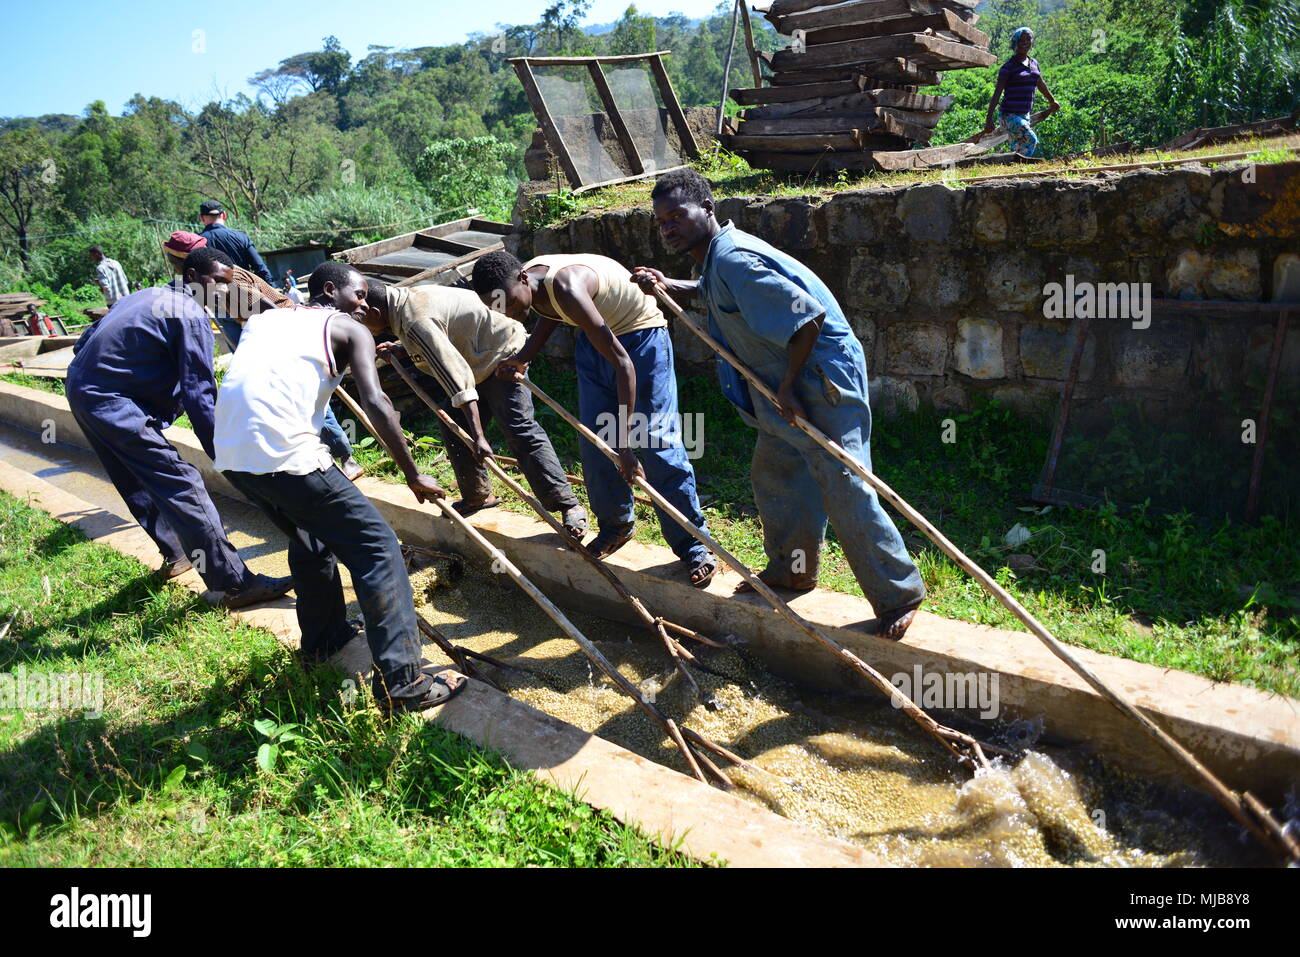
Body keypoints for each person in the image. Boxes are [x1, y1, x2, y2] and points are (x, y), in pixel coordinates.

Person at [632, 168, 926, 640]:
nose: (667, 227)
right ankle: (794, 570)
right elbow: (714, 297)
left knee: (843, 480)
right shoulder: (713, 263)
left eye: (676, 216)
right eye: (661, 220)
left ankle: (899, 595)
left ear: (708, 209)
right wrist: (669, 284)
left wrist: (789, 388)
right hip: (781, 377)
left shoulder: (734, 261)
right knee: (778, 471)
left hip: (818, 377)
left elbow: (807, 320)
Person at [213, 261, 465, 713]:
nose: (366, 305)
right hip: (286, 455)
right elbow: (377, 402)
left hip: (234, 457)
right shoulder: (349, 328)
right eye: (360, 295)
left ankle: (323, 641)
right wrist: (412, 473)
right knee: (378, 550)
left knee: (311, 539)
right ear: (331, 290)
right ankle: (403, 686)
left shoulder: (268, 319)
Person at [471, 250, 716, 587]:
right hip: (596, 338)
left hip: (641, 339)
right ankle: (617, 525)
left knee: (656, 442)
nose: (511, 313)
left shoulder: (568, 286)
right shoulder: (527, 285)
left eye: (511, 303)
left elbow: (624, 365)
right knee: (597, 442)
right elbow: (551, 313)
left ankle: (693, 544)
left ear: (523, 280)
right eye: (500, 309)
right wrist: (524, 357)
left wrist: (627, 447)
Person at [65, 246, 293, 607]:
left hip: (81, 388)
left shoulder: (148, 294)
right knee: (181, 482)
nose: (221, 289)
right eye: (216, 281)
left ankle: (178, 553)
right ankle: (234, 584)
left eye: (227, 283)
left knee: (133, 475)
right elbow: (199, 392)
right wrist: (226, 453)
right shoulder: (189, 313)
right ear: (192, 277)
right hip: (111, 401)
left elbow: (83, 342)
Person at [360, 278, 587, 535]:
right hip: (474, 357)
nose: (362, 326)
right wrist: (403, 348)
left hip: (502, 352)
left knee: (518, 428)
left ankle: (568, 504)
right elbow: (445, 330)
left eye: (361, 319)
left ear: (374, 311)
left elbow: (457, 380)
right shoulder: (404, 304)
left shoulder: (414, 320)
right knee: (454, 429)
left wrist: (479, 437)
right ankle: (478, 496)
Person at [161, 231, 364, 482]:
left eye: (173, 262)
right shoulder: (209, 280)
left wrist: (268, 342)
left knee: (307, 394)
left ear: (183, 263)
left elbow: (270, 310)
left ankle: (346, 457)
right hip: (271, 330)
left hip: (283, 329)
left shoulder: (226, 282)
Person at [981, 26, 1059, 157]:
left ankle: (1012, 169)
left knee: (1018, 146)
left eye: (1028, 39)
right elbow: (997, 95)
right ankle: (1020, 164)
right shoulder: (1007, 68)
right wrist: (989, 120)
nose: (1025, 43)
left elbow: (1041, 84)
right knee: (1031, 139)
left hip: (1025, 114)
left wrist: (1052, 101)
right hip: (1009, 115)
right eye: (1021, 40)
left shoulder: (1034, 64)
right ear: (1015, 43)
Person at [198, 200, 275, 284]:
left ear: (201, 218)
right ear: (224, 215)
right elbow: (261, 269)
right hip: (243, 292)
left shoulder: (198, 241)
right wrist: (273, 292)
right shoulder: (241, 238)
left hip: (212, 294)